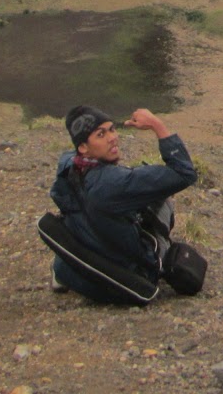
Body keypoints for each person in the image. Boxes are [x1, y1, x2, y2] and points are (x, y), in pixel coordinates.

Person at [48, 104, 198, 303]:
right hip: (129, 275)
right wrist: (157, 125)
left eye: (112, 129)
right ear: (83, 147)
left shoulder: (69, 164)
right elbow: (184, 173)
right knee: (162, 199)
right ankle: (153, 261)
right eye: (101, 135)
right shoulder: (112, 182)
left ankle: (62, 274)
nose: (112, 137)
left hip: (87, 259)